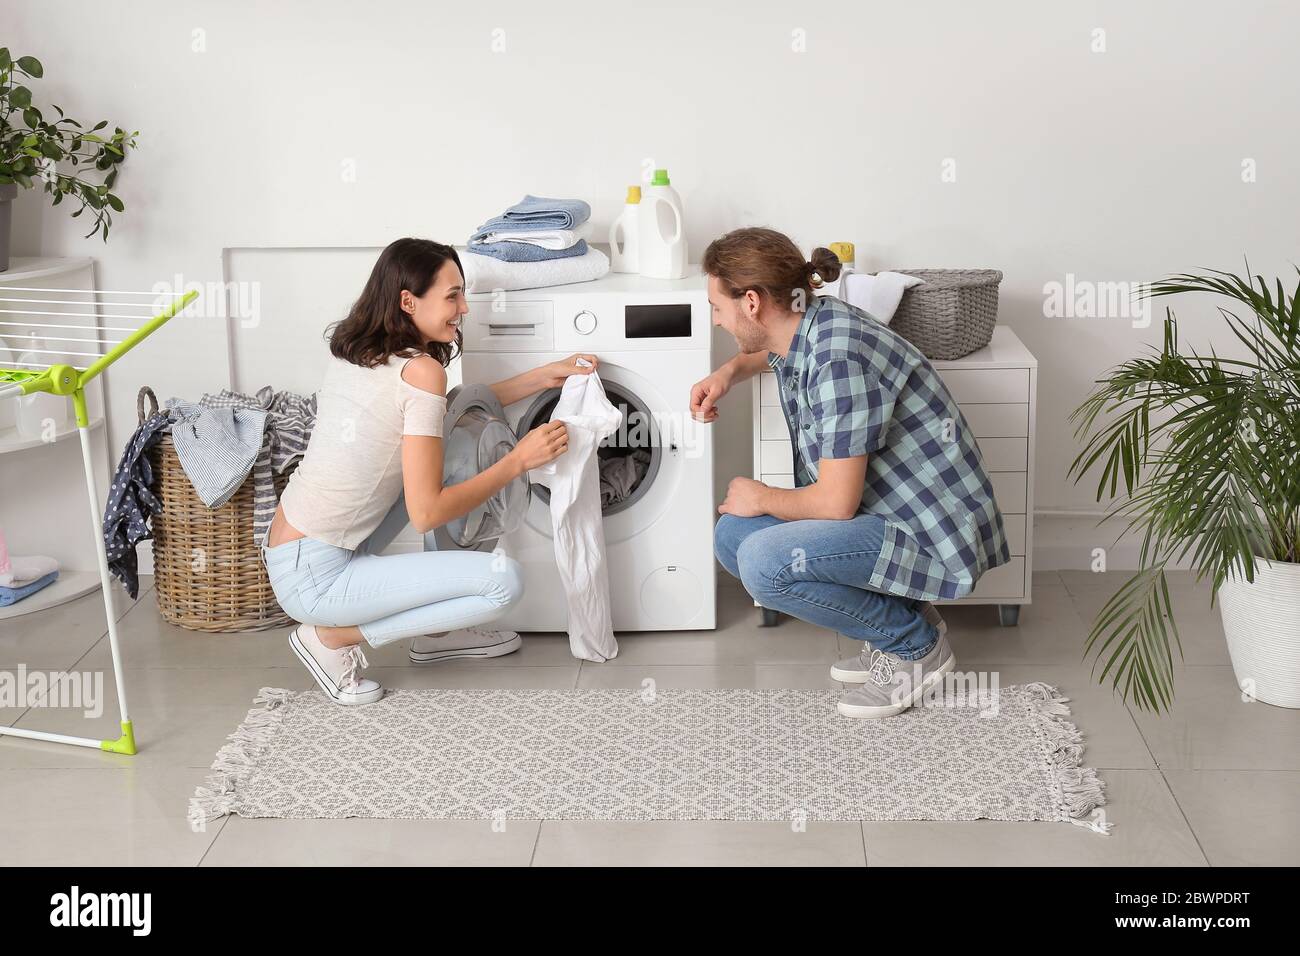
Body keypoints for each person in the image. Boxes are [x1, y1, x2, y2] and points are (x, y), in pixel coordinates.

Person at [691, 227, 1011, 718]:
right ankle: (903, 618)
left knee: (762, 562)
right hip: (886, 512)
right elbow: (769, 352)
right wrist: (727, 373)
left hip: (927, 533)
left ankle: (913, 646)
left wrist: (761, 496)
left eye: (717, 307)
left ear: (751, 302)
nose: (716, 321)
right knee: (734, 536)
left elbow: (835, 503)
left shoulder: (838, 358)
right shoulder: (808, 323)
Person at [262, 238, 597, 705]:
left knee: (446, 451)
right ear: (408, 301)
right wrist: (518, 460)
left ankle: (437, 635)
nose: (464, 308)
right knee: (505, 581)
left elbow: (451, 411)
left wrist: (544, 376)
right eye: (452, 296)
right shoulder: (421, 371)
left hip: (291, 549)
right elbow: (426, 514)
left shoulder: (361, 353)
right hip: (316, 578)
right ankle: (333, 638)